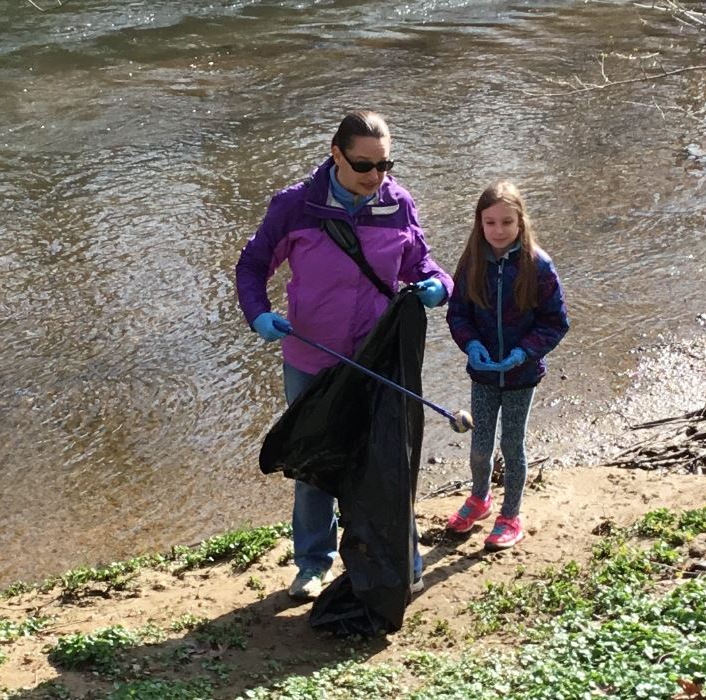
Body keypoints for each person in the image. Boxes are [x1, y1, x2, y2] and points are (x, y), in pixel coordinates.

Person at [235, 110, 453, 600]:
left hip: (377, 360)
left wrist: (440, 286)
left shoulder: (397, 203)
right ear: (336, 155)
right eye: (364, 165)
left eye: (385, 165)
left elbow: (421, 263)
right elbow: (252, 265)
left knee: (385, 462)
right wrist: (258, 315)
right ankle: (313, 564)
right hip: (311, 360)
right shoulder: (296, 206)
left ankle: (393, 559)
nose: (376, 176)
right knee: (315, 464)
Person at [443, 181, 570, 550]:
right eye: (490, 222)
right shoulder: (471, 262)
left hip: (522, 376)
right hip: (483, 375)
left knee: (513, 446)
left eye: (506, 222)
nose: (498, 230)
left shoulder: (538, 265)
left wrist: (524, 353)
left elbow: (555, 322)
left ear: (521, 222)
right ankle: (479, 498)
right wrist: (471, 345)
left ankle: (511, 515)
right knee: (479, 445)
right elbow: (458, 315)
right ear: (479, 223)